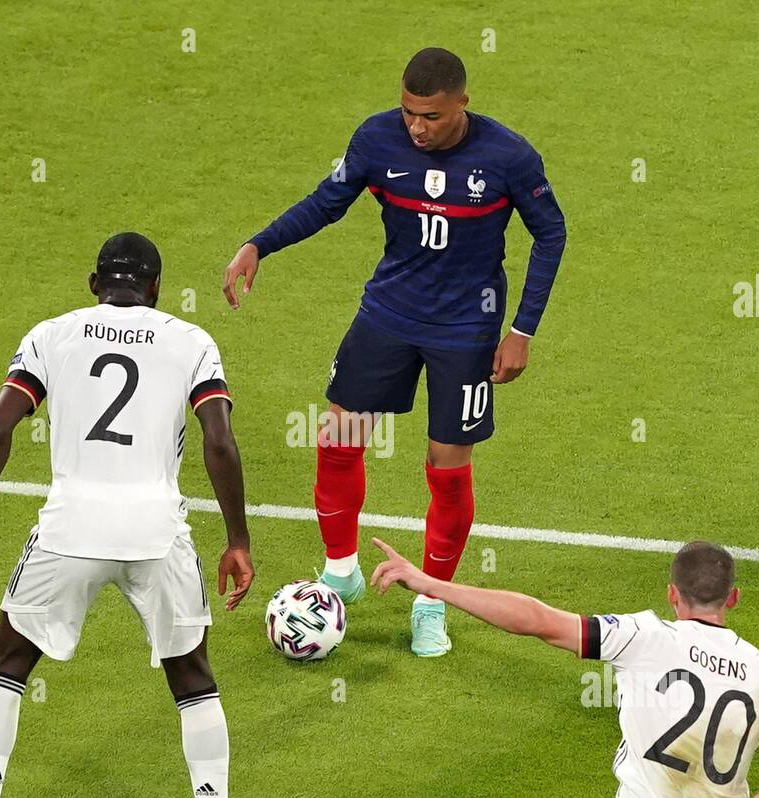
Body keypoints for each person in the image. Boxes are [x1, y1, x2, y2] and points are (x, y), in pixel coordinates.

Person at [223, 47, 566, 656]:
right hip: (388, 313)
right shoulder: (377, 139)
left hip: (466, 328)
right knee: (337, 437)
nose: (416, 126)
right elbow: (327, 203)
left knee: (447, 466)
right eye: (409, 112)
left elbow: (551, 231)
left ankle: (431, 601)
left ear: (462, 103)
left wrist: (523, 330)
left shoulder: (508, 156)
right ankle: (340, 569)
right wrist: (258, 245)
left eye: (430, 116)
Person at [0, 232, 255, 798]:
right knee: (192, 677)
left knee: (7, 666)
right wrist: (237, 540)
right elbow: (219, 441)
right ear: (156, 288)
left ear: (93, 284)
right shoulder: (192, 342)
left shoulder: (51, 335)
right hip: (158, 534)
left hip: (69, 532)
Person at [369, 537, 759, 798]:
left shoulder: (644, 636)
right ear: (732, 598)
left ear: (672, 594)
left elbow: (537, 619)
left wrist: (432, 585)